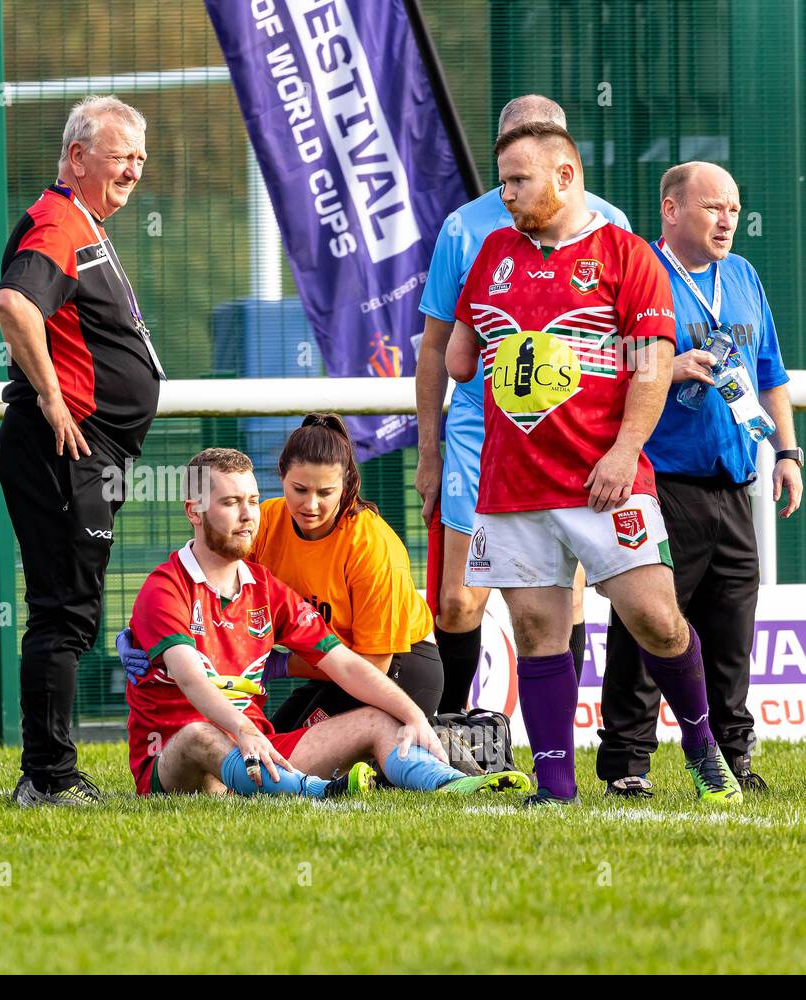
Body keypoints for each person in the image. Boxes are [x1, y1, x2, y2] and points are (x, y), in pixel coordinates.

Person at [446, 121, 744, 807]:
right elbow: (462, 359)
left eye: (519, 180)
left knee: (656, 619)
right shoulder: (493, 251)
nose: (507, 193)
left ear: (566, 175)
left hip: (604, 479)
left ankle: (703, 753)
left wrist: (623, 449)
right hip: (512, 482)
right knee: (536, 630)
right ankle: (556, 787)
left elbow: (652, 365)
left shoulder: (623, 255)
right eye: (503, 180)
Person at [123, 447, 532, 799]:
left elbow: (346, 664)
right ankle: (317, 791)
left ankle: (450, 782)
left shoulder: (265, 587)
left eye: (253, 500)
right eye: (231, 503)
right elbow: (194, 682)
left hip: (259, 749)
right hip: (176, 761)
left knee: (377, 720)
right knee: (200, 735)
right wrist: (244, 731)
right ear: (193, 510)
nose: (249, 515)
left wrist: (414, 716)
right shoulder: (164, 588)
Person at [415, 95, 631, 718]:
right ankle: (453, 730)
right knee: (459, 599)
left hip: (571, 443)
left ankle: (557, 739)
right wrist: (428, 454)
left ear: (562, 157)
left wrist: (620, 442)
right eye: (508, 157)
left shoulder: (611, 226)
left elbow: (636, 344)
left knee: (569, 599)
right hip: (478, 441)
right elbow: (438, 352)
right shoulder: (465, 227)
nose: (515, 174)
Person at [597, 162, 800, 798]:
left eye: (734, 210)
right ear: (671, 209)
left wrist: (789, 455)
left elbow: (769, 374)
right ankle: (627, 764)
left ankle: (735, 758)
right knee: (649, 625)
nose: (726, 221)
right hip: (664, 482)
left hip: (734, 479)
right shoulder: (640, 271)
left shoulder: (741, 276)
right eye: (712, 207)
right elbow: (603, 360)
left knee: (732, 631)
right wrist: (668, 365)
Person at [0, 96, 164, 807]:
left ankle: (49, 772)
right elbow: (13, 304)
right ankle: (48, 777)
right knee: (64, 611)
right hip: (64, 448)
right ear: (77, 158)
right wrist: (53, 398)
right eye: (121, 155)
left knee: (71, 609)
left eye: (141, 158)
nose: (135, 168)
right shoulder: (60, 221)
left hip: (86, 452)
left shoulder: (84, 222)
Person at [246, 413, 443, 733]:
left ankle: (455, 737)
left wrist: (282, 665)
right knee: (274, 748)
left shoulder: (371, 545)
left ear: (347, 484)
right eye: (299, 489)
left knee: (298, 762)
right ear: (281, 475)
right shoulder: (264, 522)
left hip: (395, 670)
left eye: (325, 492)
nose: (311, 505)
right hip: (333, 671)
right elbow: (214, 579)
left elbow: (372, 666)